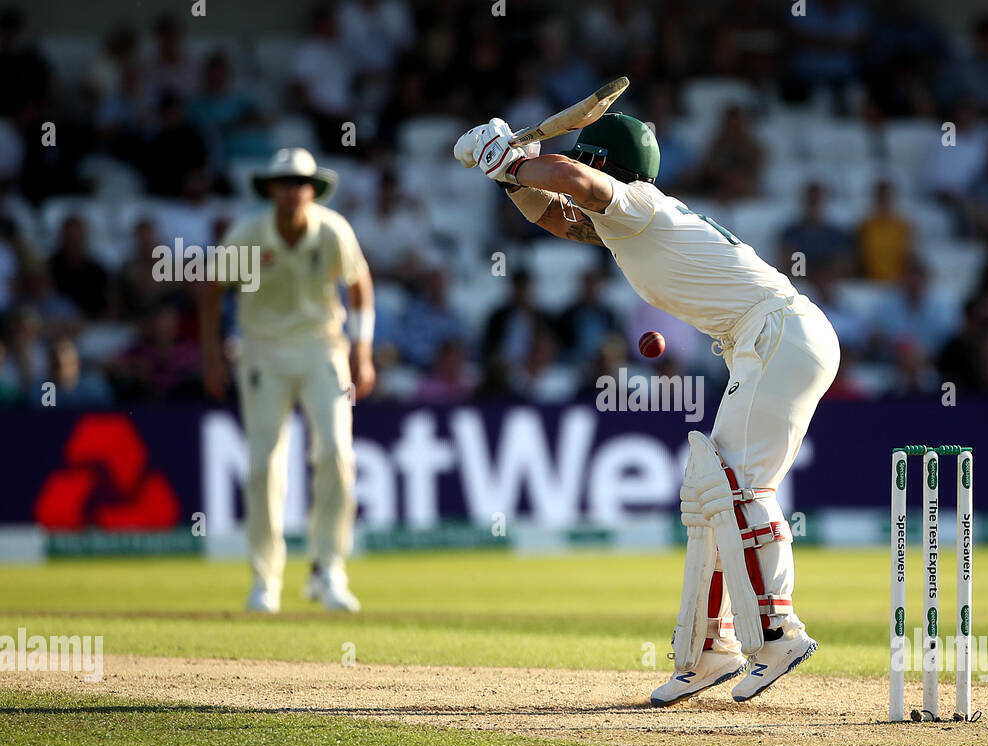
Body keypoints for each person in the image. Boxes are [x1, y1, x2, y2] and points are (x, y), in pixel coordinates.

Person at [454, 113, 840, 705]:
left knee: (737, 488)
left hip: (777, 334)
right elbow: (557, 217)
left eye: (587, 166)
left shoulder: (636, 203)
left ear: (602, 164)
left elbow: (571, 182)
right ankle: (713, 649)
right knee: (711, 494)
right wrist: (509, 177)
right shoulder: (623, 223)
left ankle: (780, 634)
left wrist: (511, 158)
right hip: (772, 339)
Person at [199, 148, 375, 614]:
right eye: (285, 182)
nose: (294, 190)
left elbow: (359, 286)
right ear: (271, 188)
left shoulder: (333, 229)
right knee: (262, 468)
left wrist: (362, 350)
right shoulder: (248, 234)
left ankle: (328, 570)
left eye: (302, 182)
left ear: (312, 189)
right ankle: (265, 580)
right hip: (261, 353)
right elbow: (211, 293)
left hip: (323, 349)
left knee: (337, 454)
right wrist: (213, 357)